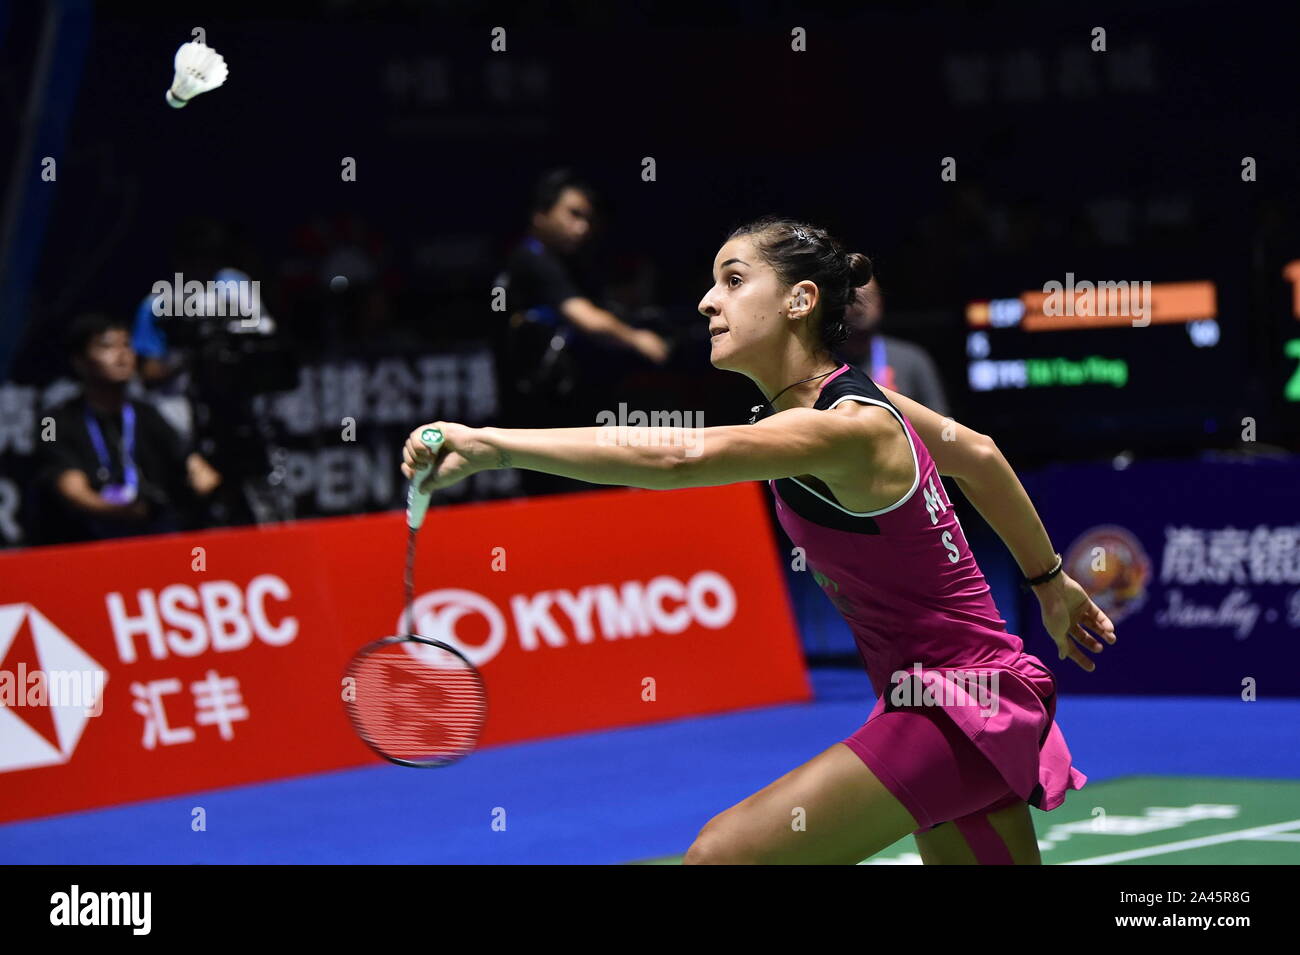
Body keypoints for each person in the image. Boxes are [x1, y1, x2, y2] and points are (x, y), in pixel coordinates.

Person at [400, 216, 1116, 865]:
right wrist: (1049, 583)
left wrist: (492, 444)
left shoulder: (846, 427)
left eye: (734, 281)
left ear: (801, 300)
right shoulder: (854, 402)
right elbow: (983, 454)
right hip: (954, 697)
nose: (709, 301)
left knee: (722, 857)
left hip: (958, 706)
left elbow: (677, 457)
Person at [495, 168, 669, 421]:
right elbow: (586, 318)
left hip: (554, 398)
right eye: (573, 215)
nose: (582, 228)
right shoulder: (531, 259)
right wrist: (638, 339)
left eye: (587, 219)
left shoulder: (564, 261)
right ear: (540, 214)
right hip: (532, 406)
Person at [36, 313, 221, 543]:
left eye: (126, 345)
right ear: (80, 361)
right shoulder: (51, 421)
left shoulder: (146, 413)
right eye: (107, 346)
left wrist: (199, 482)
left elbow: (197, 470)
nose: (122, 355)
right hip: (83, 543)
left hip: (153, 537)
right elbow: (71, 491)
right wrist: (126, 513)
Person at [840, 276, 950, 416]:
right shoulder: (823, 362)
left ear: (880, 304)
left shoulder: (912, 360)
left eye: (867, 298)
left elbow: (943, 422)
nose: (860, 307)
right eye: (853, 299)